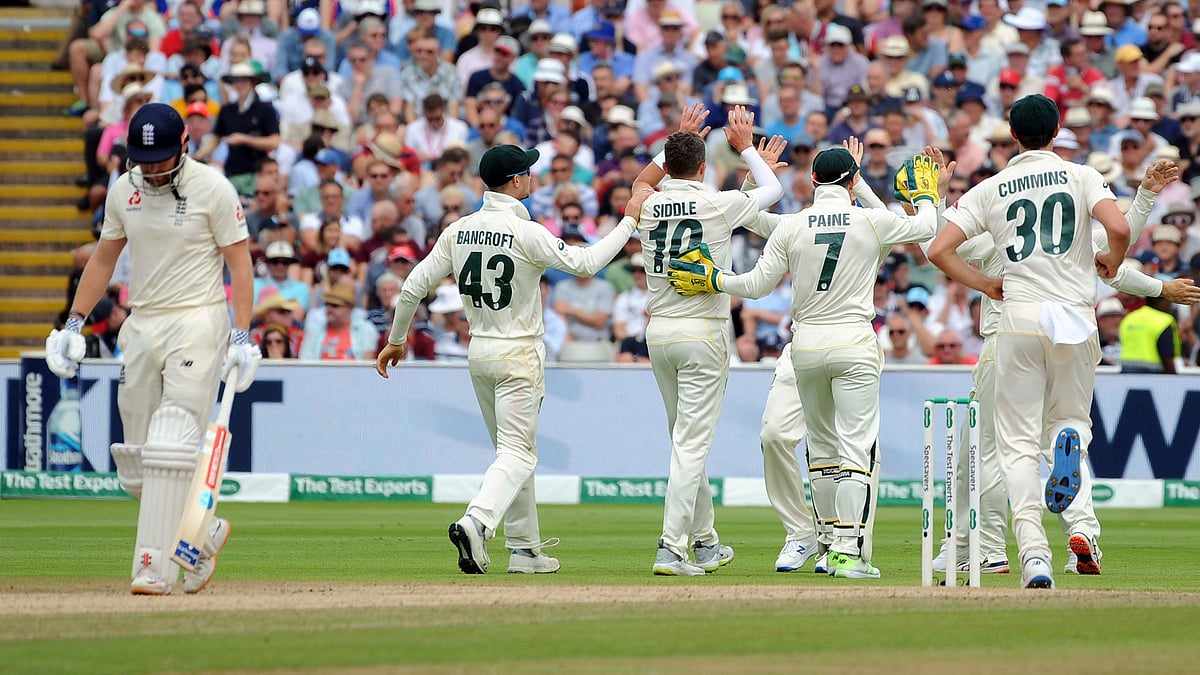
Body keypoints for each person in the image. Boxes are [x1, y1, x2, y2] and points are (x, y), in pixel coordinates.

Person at [376, 144, 652, 575]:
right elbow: (586, 264)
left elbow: (411, 287)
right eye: (529, 172)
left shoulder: (458, 230)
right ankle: (477, 521)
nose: (534, 178)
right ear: (518, 181)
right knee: (519, 454)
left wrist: (397, 339)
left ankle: (524, 549)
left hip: (480, 352)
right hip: (519, 353)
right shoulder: (527, 232)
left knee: (514, 451)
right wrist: (630, 220)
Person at [667, 150, 942, 579]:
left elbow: (756, 282)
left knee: (823, 452)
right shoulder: (871, 220)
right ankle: (843, 550)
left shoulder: (794, 224)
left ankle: (834, 544)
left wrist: (715, 278)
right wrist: (928, 195)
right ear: (851, 183)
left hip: (807, 345)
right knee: (854, 450)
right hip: (852, 338)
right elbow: (927, 227)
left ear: (813, 181)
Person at [924, 158, 1198, 577]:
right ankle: (1083, 535)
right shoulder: (1071, 228)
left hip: (1010, 339)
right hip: (1071, 332)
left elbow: (940, 244)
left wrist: (937, 198)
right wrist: (1146, 210)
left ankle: (991, 548)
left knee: (997, 449)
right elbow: (1115, 259)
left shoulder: (1002, 221)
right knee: (1066, 437)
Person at [44, 103, 260, 595]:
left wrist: (242, 334)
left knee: (172, 442)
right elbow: (103, 257)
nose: (155, 169)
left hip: (198, 319)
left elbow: (240, 265)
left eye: (163, 159)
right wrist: (73, 323)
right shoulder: (125, 190)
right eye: (146, 161)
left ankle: (152, 566)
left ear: (184, 146)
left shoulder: (213, 189)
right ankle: (203, 536)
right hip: (142, 324)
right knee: (137, 465)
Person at [926, 93, 1133, 590]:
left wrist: (986, 285)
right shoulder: (1081, 175)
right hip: (1076, 319)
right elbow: (1120, 226)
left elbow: (938, 249)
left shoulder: (992, 186)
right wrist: (1113, 261)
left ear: (1012, 135)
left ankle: (1034, 557)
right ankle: (1071, 458)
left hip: (1016, 319)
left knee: (1015, 447)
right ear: (1057, 131)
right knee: (1068, 424)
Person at [632, 104, 784, 576]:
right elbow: (773, 190)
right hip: (704, 331)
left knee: (682, 439)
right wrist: (748, 152)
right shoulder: (718, 201)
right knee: (691, 445)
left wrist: (675, 139)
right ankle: (671, 547)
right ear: (703, 167)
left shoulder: (647, 201)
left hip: (659, 332)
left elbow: (641, 182)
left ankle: (704, 541)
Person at [1120, 294, 1182, 373]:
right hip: (1153, 374)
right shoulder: (1164, 320)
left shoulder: (1130, 318)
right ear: (1161, 301)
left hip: (1126, 371)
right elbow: (1167, 356)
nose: (1170, 304)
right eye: (1169, 301)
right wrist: (1173, 380)